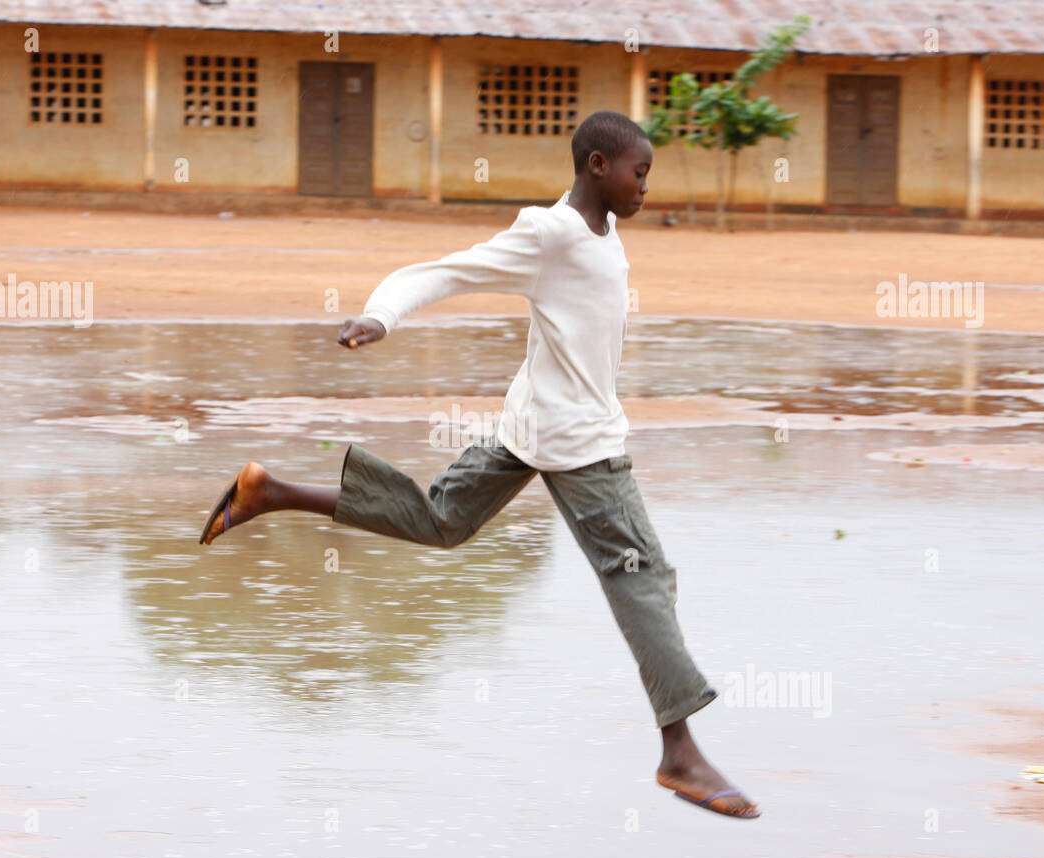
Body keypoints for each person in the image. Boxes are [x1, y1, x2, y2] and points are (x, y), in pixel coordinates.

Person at [198, 109, 759, 819]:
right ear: (596, 167)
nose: (645, 187)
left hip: (531, 425)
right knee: (642, 577)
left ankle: (269, 491)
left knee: (440, 523)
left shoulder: (604, 228)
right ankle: (680, 753)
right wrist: (383, 314)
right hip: (580, 445)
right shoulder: (550, 233)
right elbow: (449, 271)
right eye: (638, 173)